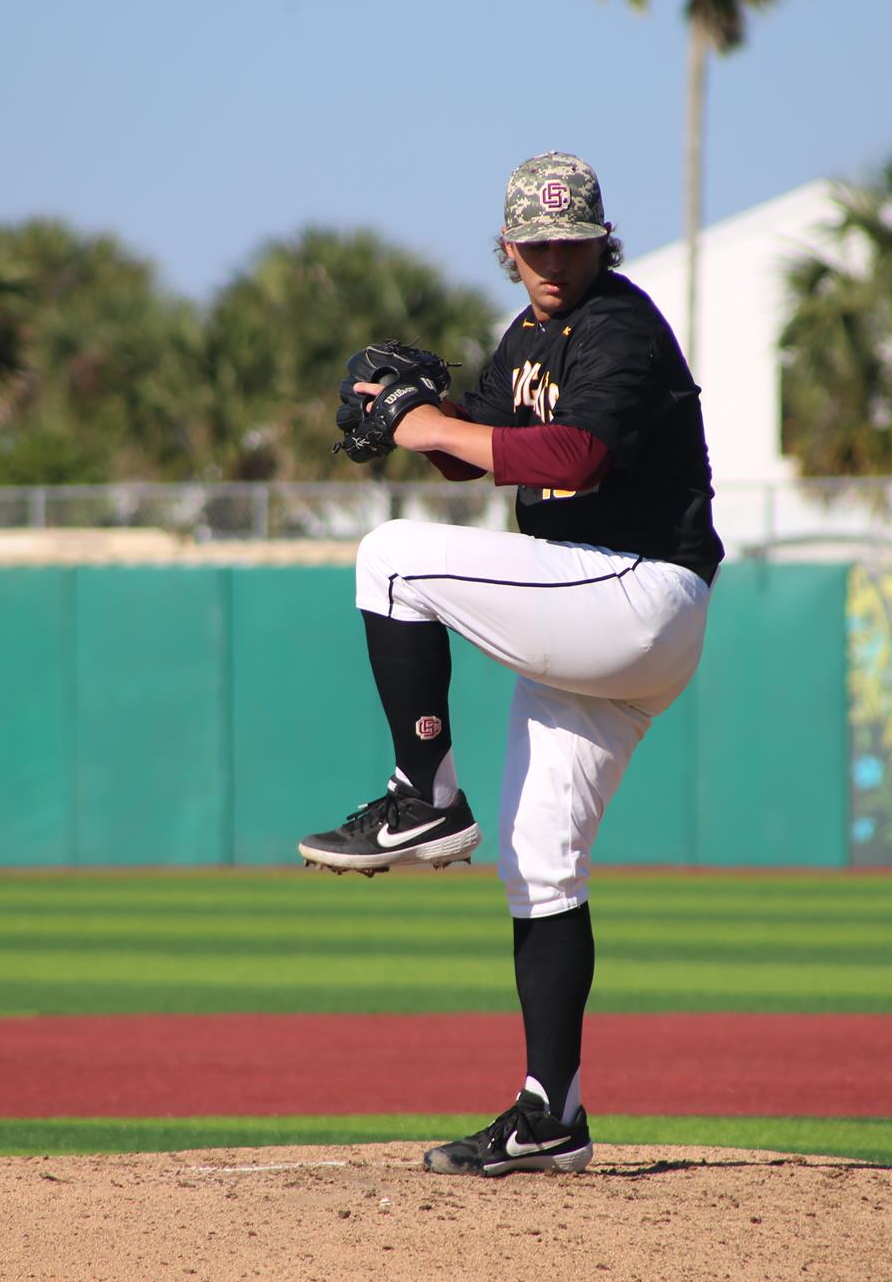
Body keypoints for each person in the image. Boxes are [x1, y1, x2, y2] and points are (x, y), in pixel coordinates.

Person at [298, 151, 724, 1176]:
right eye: (532, 244)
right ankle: (551, 1111)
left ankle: (421, 791)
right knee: (539, 865)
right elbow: (480, 442)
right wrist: (411, 425)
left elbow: (573, 455)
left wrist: (431, 427)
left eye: (568, 242)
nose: (550, 259)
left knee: (390, 557)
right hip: (589, 615)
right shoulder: (526, 336)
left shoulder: (618, 328)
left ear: (597, 238)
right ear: (506, 246)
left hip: (634, 588)